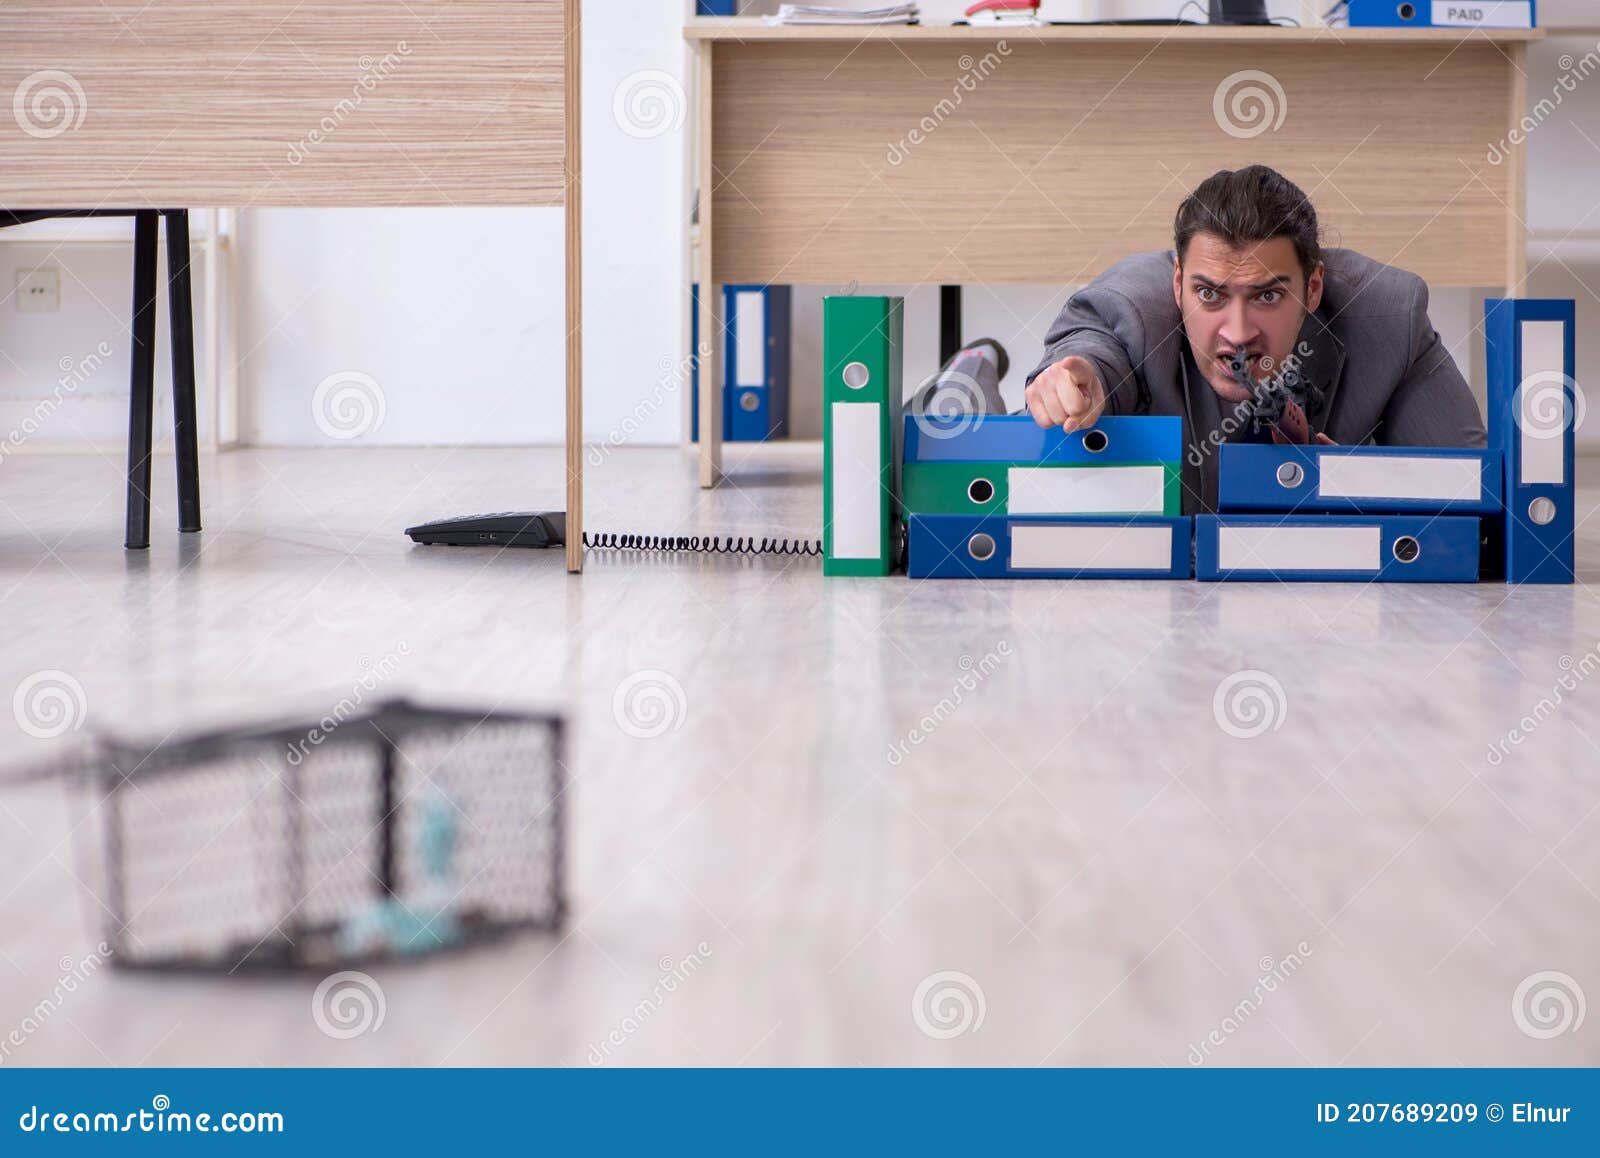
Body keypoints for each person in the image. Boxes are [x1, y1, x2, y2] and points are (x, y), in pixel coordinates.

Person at [1017, 164, 1487, 513]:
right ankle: (970, 368)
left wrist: (1353, 482)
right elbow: (1095, 348)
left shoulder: (1388, 316)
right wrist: (1082, 377)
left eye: (1266, 296)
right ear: (1177, 284)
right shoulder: (1131, 308)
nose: (1238, 334)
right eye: (1209, 294)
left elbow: (1478, 492)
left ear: (1314, 288)